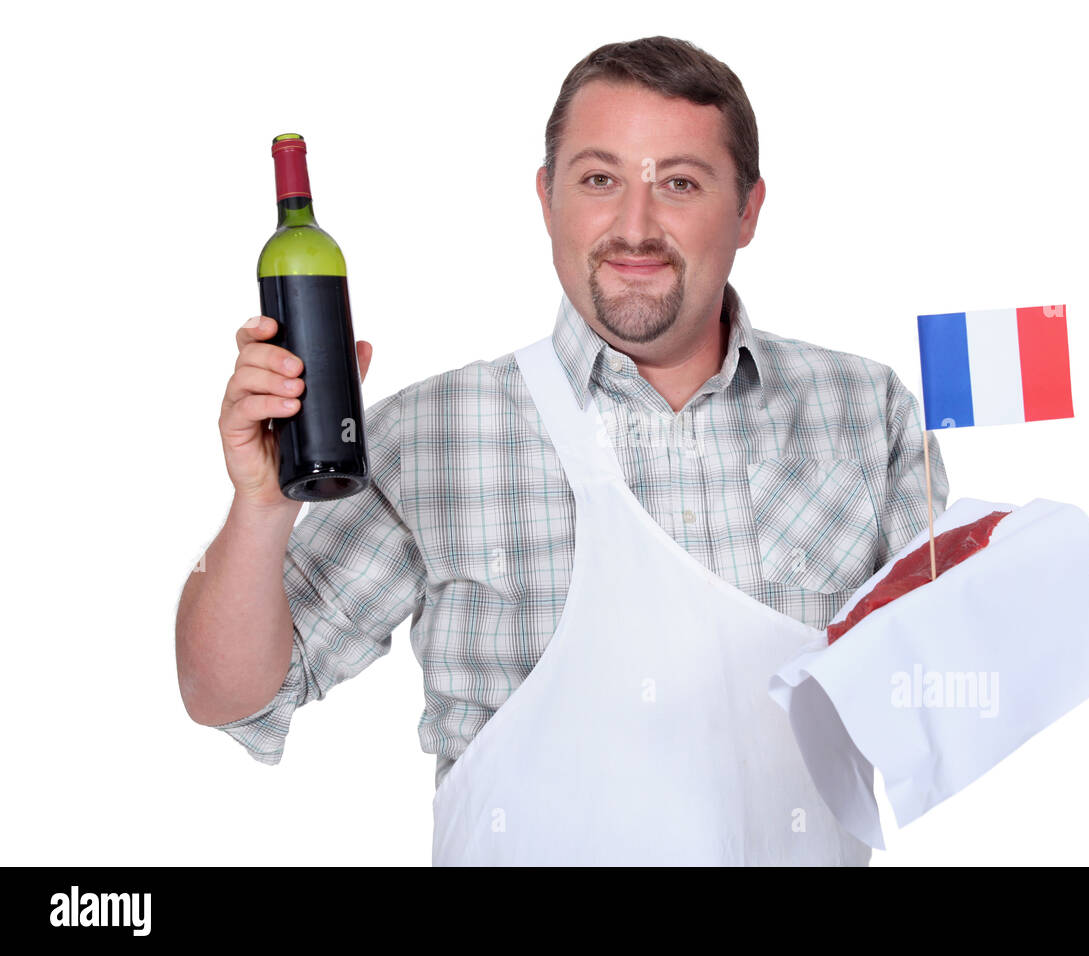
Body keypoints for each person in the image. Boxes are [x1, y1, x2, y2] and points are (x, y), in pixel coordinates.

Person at [175, 35, 949, 866]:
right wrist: (261, 507)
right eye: (599, 180)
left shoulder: (867, 413)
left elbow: (944, 707)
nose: (635, 227)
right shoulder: (432, 432)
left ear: (749, 208)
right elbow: (231, 696)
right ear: (547, 199)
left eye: (680, 183)